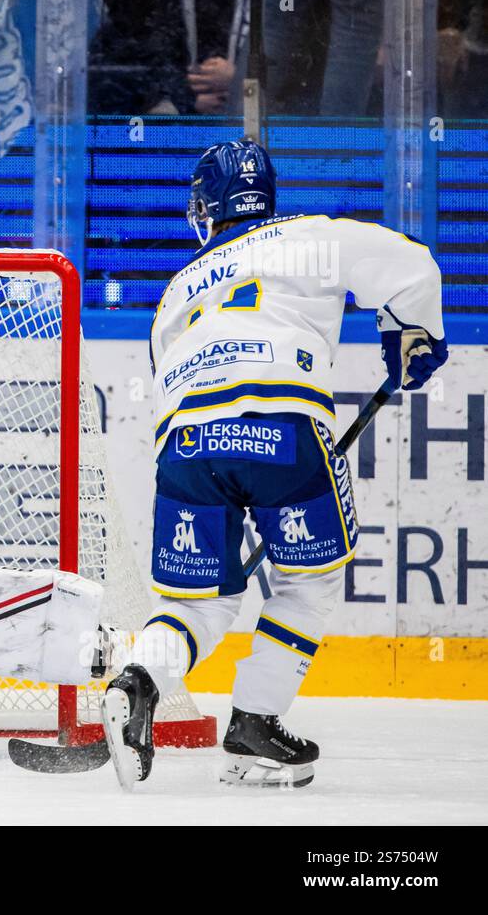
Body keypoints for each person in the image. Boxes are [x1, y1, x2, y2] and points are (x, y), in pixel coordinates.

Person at [101, 140, 448, 791]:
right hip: (282, 426)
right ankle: (255, 723)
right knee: (307, 584)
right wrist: (412, 337)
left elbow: (164, 375)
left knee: (201, 603)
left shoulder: (176, 287)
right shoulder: (311, 237)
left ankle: (137, 680)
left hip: (185, 442)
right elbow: (414, 268)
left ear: (208, 206)